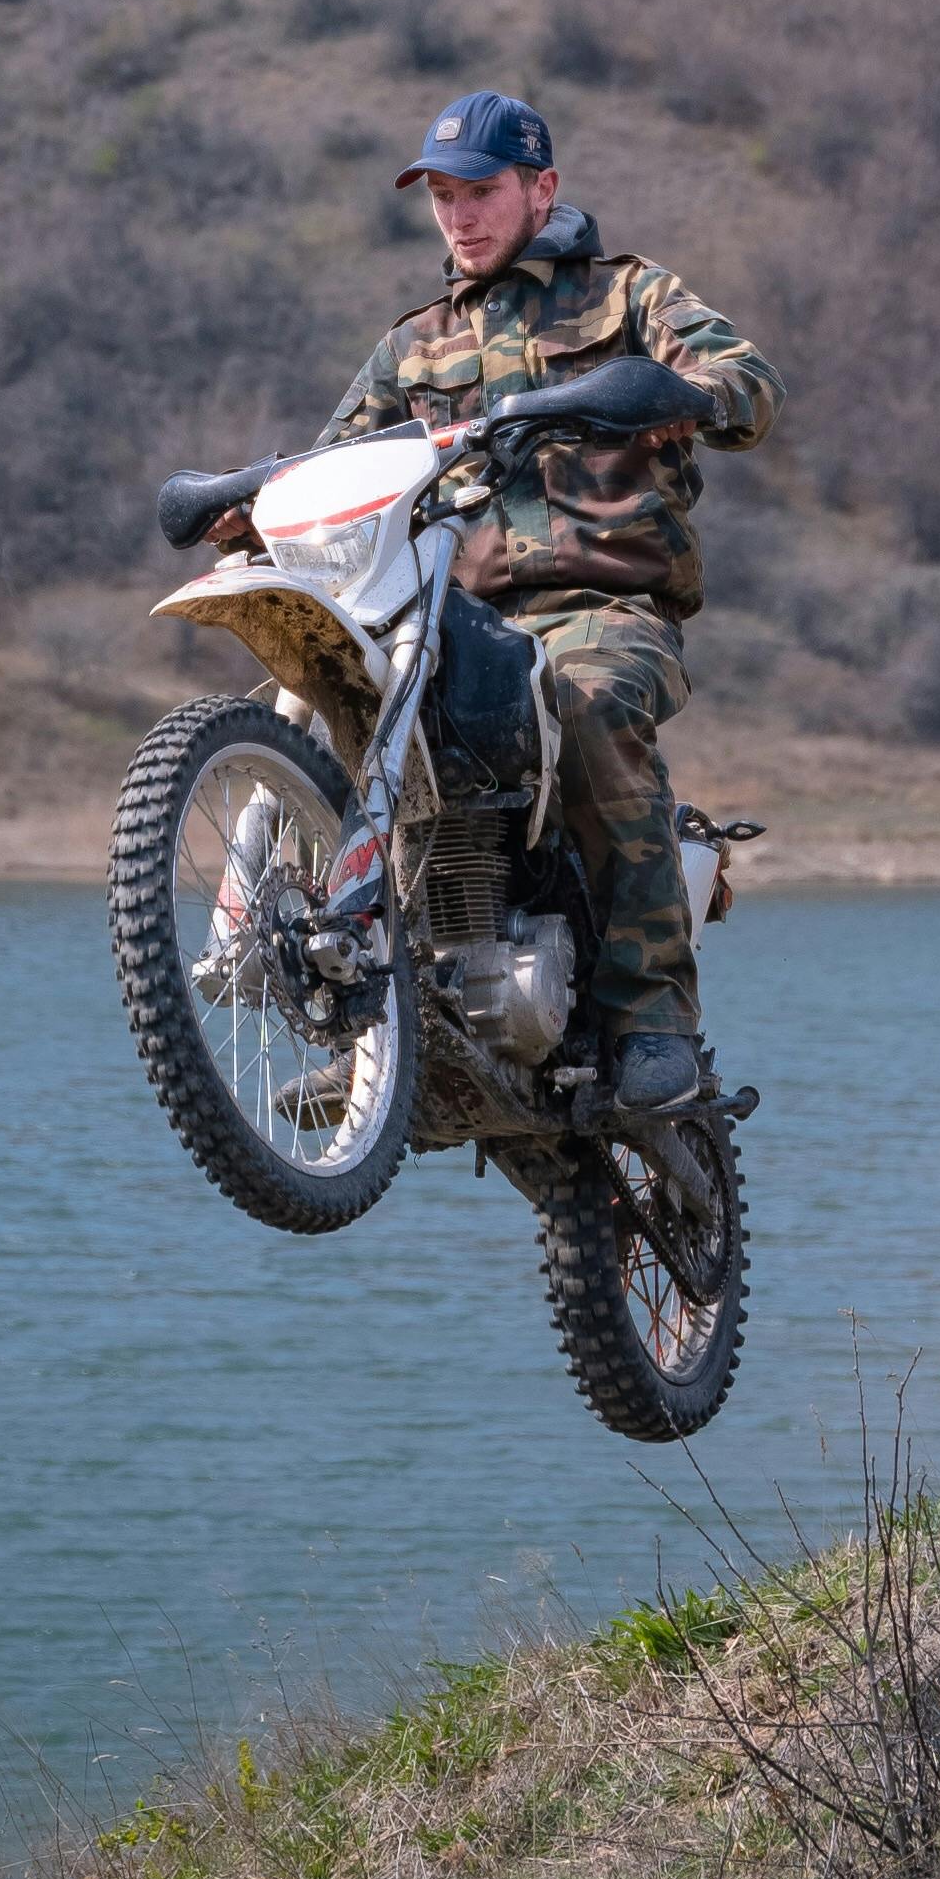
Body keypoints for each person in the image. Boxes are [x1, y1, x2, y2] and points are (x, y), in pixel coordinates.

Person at [322, 89, 778, 1112]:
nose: (459, 214)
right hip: (455, 623)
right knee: (361, 718)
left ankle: (653, 1019)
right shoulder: (412, 346)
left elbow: (746, 383)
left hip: (604, 606)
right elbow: (334, 462)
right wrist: (249, 504)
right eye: (440, 195)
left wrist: (681, 396)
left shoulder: (627, 298)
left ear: (542, 189)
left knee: (586, 697)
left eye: (479, 190)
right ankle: (369, 1020)